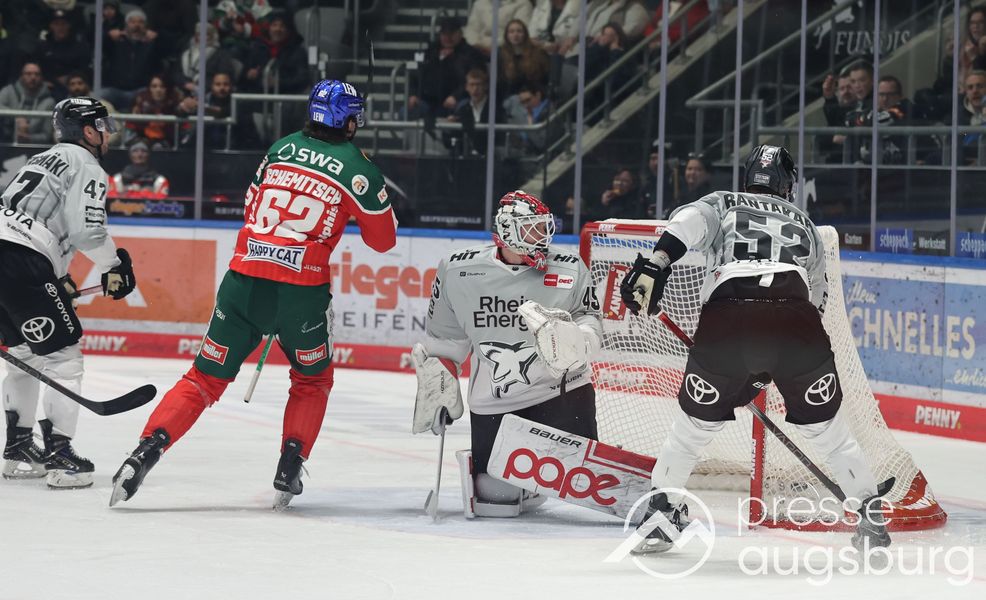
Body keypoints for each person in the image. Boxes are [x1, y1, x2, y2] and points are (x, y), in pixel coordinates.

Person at [109, 79, 399, 510]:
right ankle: (289, 465)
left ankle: (145, 451)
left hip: (244, 280)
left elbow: (252, 205)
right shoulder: (360, 168)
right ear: (350, 119)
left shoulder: (281, 148)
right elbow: (384, 241)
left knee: (203, 380)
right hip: (301, 294)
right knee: (312, 379)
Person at [619, 145, 891, 554]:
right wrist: (772, 361)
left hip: (728, 319)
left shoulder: (723, 201)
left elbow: (686, 223)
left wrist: (658, 262)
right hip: (796, 323)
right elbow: (815, 304)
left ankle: (660, 518)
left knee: (691, 431)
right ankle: (870, 515)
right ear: (788, 184)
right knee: (830, 433)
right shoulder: (810, 229)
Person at [412, 190, 602, 517]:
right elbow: (447, 338)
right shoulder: (458, 271)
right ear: (505, 232)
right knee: (493, 499)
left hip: (561, 389)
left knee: (585, 482)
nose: (541, 237)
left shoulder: (569, 268)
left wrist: (580, 340)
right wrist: (440, 377)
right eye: (531, 229)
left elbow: (590, 318)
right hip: (496, 400)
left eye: (544, 227)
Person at [1, 98, 135, 488]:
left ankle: (21, 449)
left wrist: (55, 275)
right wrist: (114, 265)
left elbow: (30, 217)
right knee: (63, 356)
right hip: (23, 260)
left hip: (9, 255)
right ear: (88, 131)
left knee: (24, 354)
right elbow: (87, 231)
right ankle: (60, 457)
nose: (107, 132)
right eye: (102, 125)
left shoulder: (40, 159)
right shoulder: (87, 165)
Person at [408, 17, 486, 121]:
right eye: (444, 34)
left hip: (459, 100)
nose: (448, 37)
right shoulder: (429, 52)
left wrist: (456, 96)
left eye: (452, 33)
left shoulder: (472, 54)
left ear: (460, 33)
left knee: (465, 110)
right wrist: (413, 94)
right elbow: (414, 74)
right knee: (408, 111)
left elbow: (476, 80)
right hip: (428, 101)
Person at [0, 62, 55, 144]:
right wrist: (17, 117)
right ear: (21, 76)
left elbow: (47, 135)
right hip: (5, 144)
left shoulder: (49, 102)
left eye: (37, 74)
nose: (33, 77)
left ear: (41, 77)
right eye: (28, 74)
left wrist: (29, 138)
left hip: (34, 148)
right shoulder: (8, 91)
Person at [497, 20, 550, 100]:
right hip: (510, 98)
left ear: (525, 34)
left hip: (533, 96)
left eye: (519, 31)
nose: (515, 35)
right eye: (511, 32)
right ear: (506, 36)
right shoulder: (501, 54)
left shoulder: (538, 53)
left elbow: (543, 80)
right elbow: (500, 83)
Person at [463, 0, 533, 55]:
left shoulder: (523, 4)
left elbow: (518, 34)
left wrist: (491, 47)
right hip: (479, 50)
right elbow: (471, 30)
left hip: (507, 51)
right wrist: (476, 45)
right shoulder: (479, 4)